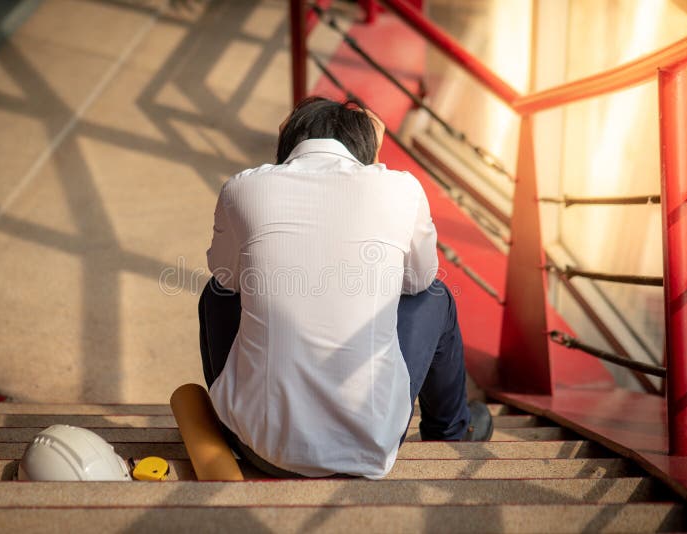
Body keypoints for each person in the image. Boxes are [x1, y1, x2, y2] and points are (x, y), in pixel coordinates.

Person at [198, 97, 492, 479]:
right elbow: (418, 279)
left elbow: (225, 275)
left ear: (288, 139)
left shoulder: (243, 187)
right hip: (370, 443)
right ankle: (449, 436)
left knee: (218, 292)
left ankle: (235, 417)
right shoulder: (400, 189)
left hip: (257, 445)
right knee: (434, 296)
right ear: (367, 149)